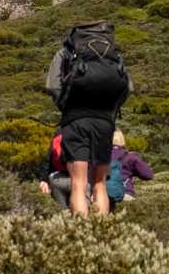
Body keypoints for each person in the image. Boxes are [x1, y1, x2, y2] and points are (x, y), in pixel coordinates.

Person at [44, 21, 131, 216]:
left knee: (79, 184)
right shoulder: (113, 55)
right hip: (105, 123)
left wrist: (65, 106)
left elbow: (52, 86)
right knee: (100, 183)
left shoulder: (66, 52)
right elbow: (128, 88)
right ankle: (100, 232)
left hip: (75, 121)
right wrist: (111, 110)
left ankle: (82, 233)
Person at [109, 129, 153, 203]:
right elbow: (149, 175)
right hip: (125, 195)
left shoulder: (99, 156)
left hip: (102, 196)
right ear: (122, 140)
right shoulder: (131, 157)